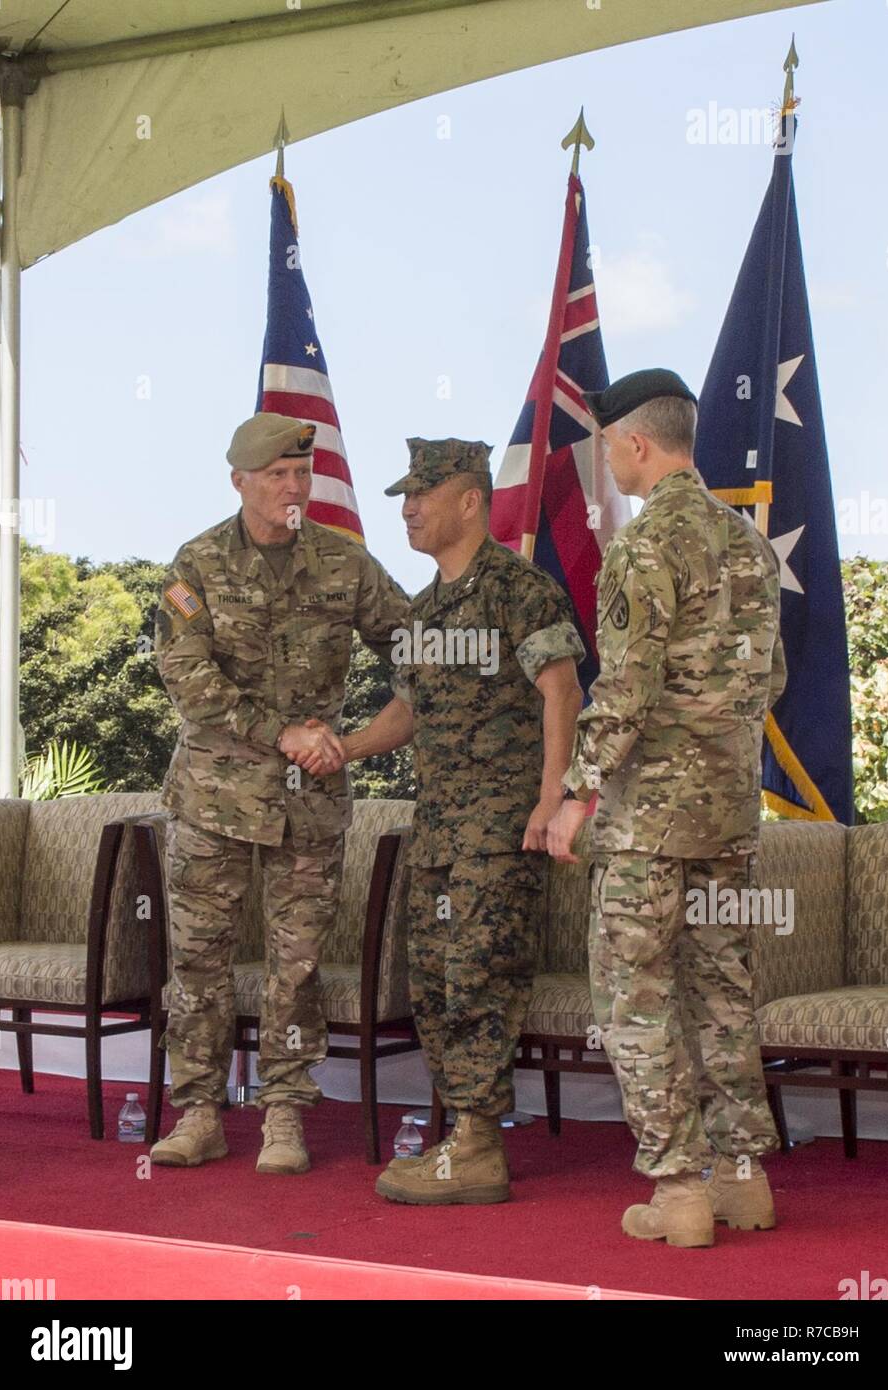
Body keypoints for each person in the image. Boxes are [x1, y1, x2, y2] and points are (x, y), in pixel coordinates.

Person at [308, 436, 585, 1204]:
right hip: (438, 833)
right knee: (432, 982)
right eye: (402, 497)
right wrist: (347, 747)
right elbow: (409, 710)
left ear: (471, 501)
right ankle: (465, 1139)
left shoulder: (518, 590)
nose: (407, 510)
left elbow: (562, 691)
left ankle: (477, 1146)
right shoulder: (424, 610)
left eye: (422, 495)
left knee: (479, 980)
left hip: (501, 832)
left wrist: (551, 795)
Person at [547, 368, 787, 1249]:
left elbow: (628, 687)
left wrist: (576, 795)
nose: (608, 459)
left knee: (634, 999)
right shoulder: (747, 542)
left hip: (648, 819)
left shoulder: (646, 547)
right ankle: (744, 1179)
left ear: (636, 444)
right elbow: (773, 678)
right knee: (723, 992)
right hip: (727, 813)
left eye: (609, 444)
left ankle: (679, 1188)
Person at [150, 412, 410, 1175]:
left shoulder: (344, 564)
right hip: (213, 802)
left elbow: (414, 646)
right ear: (240, 482)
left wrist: (356, 740)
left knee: (295, 967)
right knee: (199, 962)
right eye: (277, 476)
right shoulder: (193, 565)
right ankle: (198, 1111)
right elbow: (190, 682)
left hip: (310, 804)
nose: (294, 487)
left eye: (303, 474)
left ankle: (285, 1112)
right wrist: (281, 732)